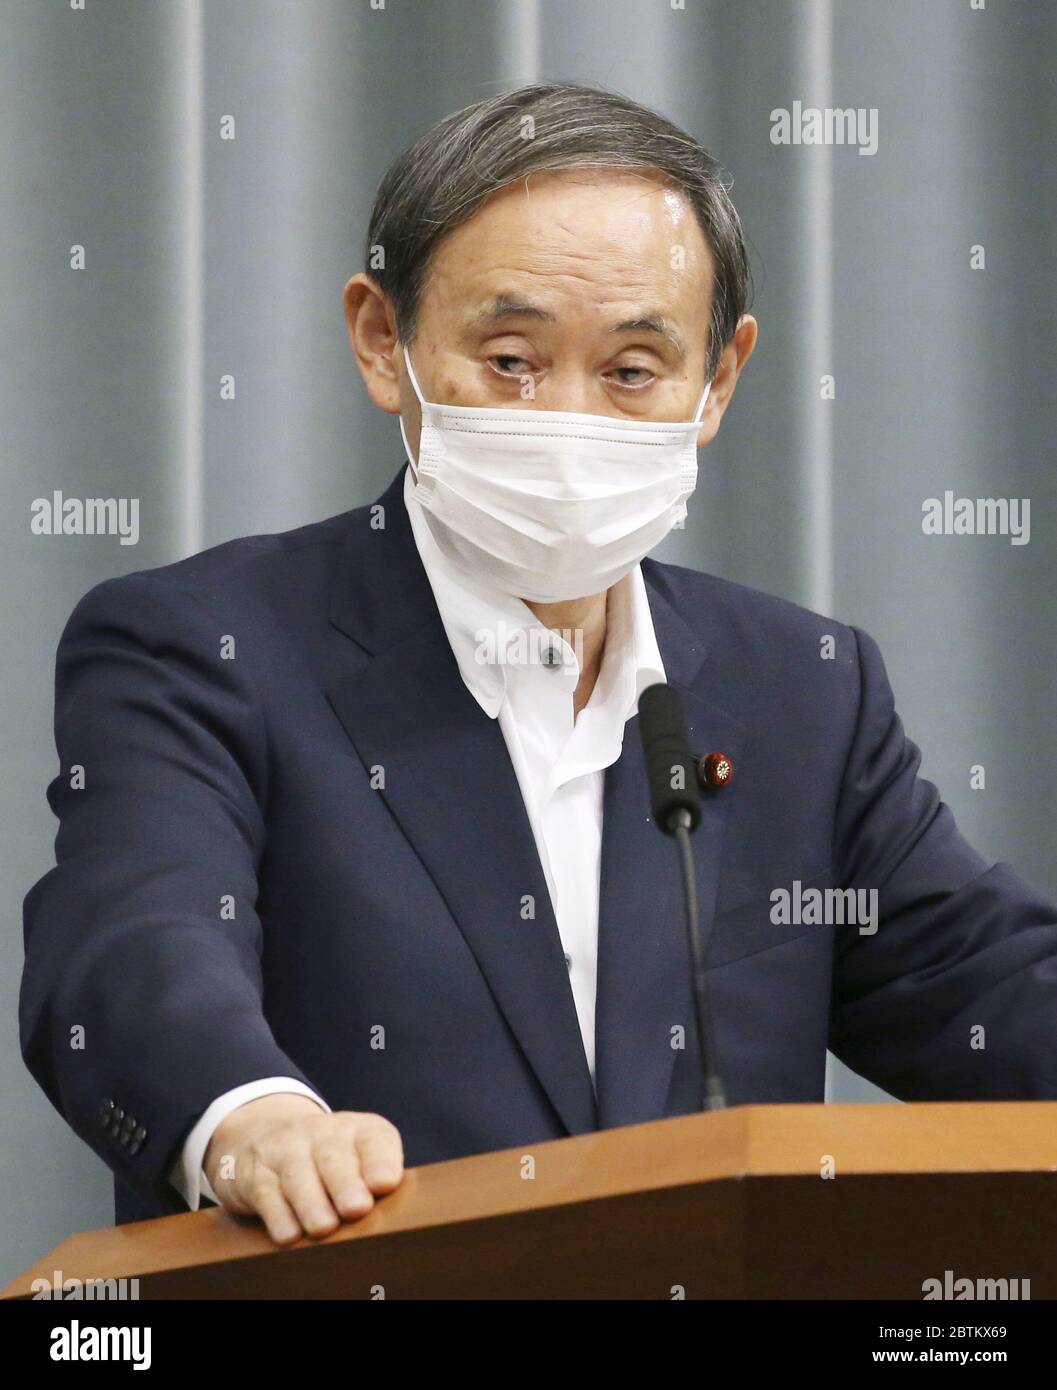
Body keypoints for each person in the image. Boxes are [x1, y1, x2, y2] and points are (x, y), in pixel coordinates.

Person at [20, 82, 1057, 1247]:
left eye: (629, 372)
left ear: (716, 381)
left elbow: (989, 993)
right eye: (511, 359)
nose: (566, 416)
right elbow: (132, 943)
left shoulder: (801, 689)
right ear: (383, 340)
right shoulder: (202, 645)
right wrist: (254, 1120)